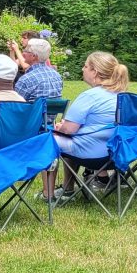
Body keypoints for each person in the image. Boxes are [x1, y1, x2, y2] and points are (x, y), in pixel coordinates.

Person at [47, 52, 129, 199]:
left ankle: (49, 194)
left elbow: (69, 129)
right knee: (70, 139)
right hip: (118, 153)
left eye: (85, 66)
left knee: (48, 139)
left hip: (92, 153)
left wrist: (61, 127)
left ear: (94, 72)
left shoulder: (90, 96)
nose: (82, 69)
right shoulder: (123, 96)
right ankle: (67, 188)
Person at [13, 37, 64, 102]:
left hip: (32, 112)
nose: (23, 53)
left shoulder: (26, 80)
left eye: (26, 51)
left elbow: (15, 104)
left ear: (34, 56)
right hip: (51, 112)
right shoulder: (57, 76)